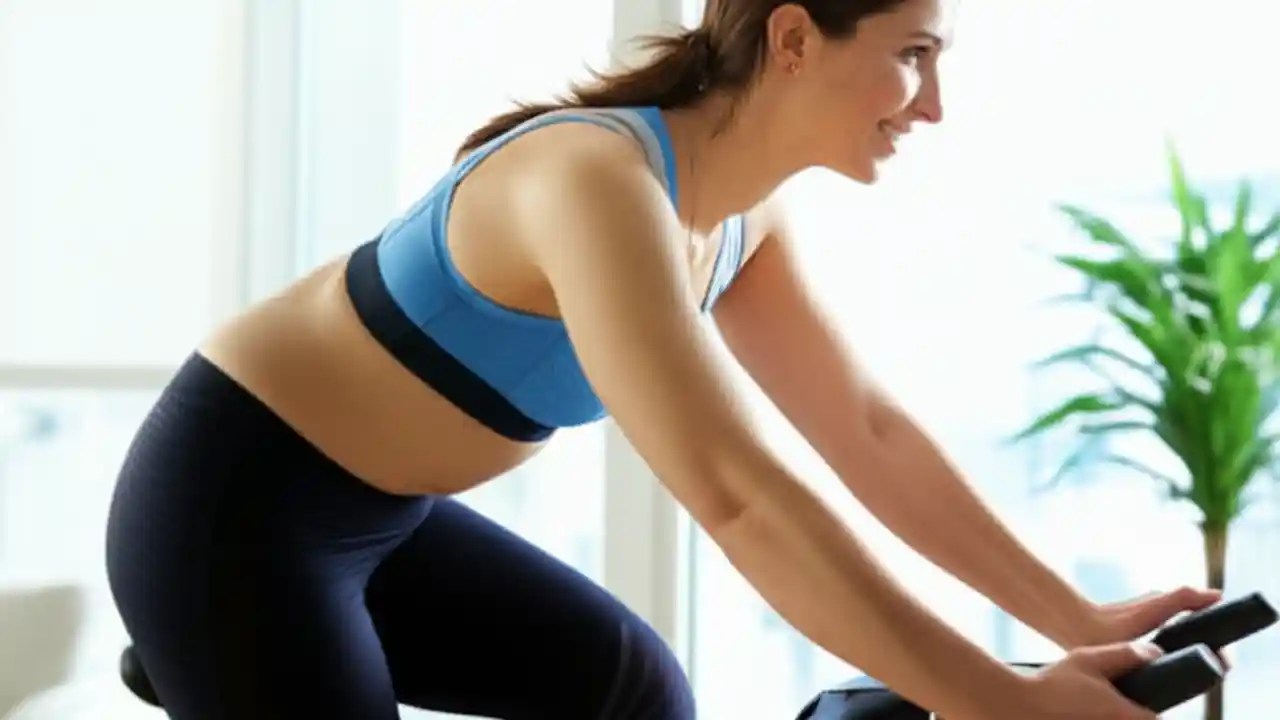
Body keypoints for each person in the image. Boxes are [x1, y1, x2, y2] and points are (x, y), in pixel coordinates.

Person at [105, 0, 1224, 718]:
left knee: (629, 693)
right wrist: (996, 705)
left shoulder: (740, 222)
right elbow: (739, 498)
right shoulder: (592, 183)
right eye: (911, 56)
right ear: (793, 38)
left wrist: (1071, 621)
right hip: (232, 516)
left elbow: (866, 434)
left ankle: (218, 666)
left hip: (382, 524)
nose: (932, 104)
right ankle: (209, 645)